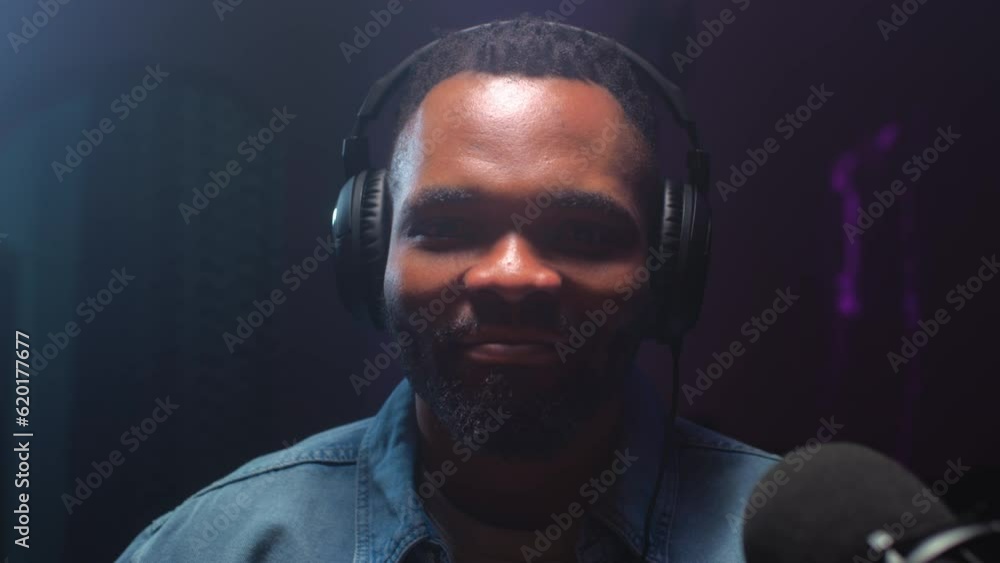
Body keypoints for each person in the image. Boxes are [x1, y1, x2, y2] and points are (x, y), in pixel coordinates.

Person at [117, 16, 779, 563]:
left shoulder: (796, 543)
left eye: (582, 233)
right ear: (368, 254)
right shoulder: (216, 545)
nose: (513, 276)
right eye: (448, 226)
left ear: (669, 265)